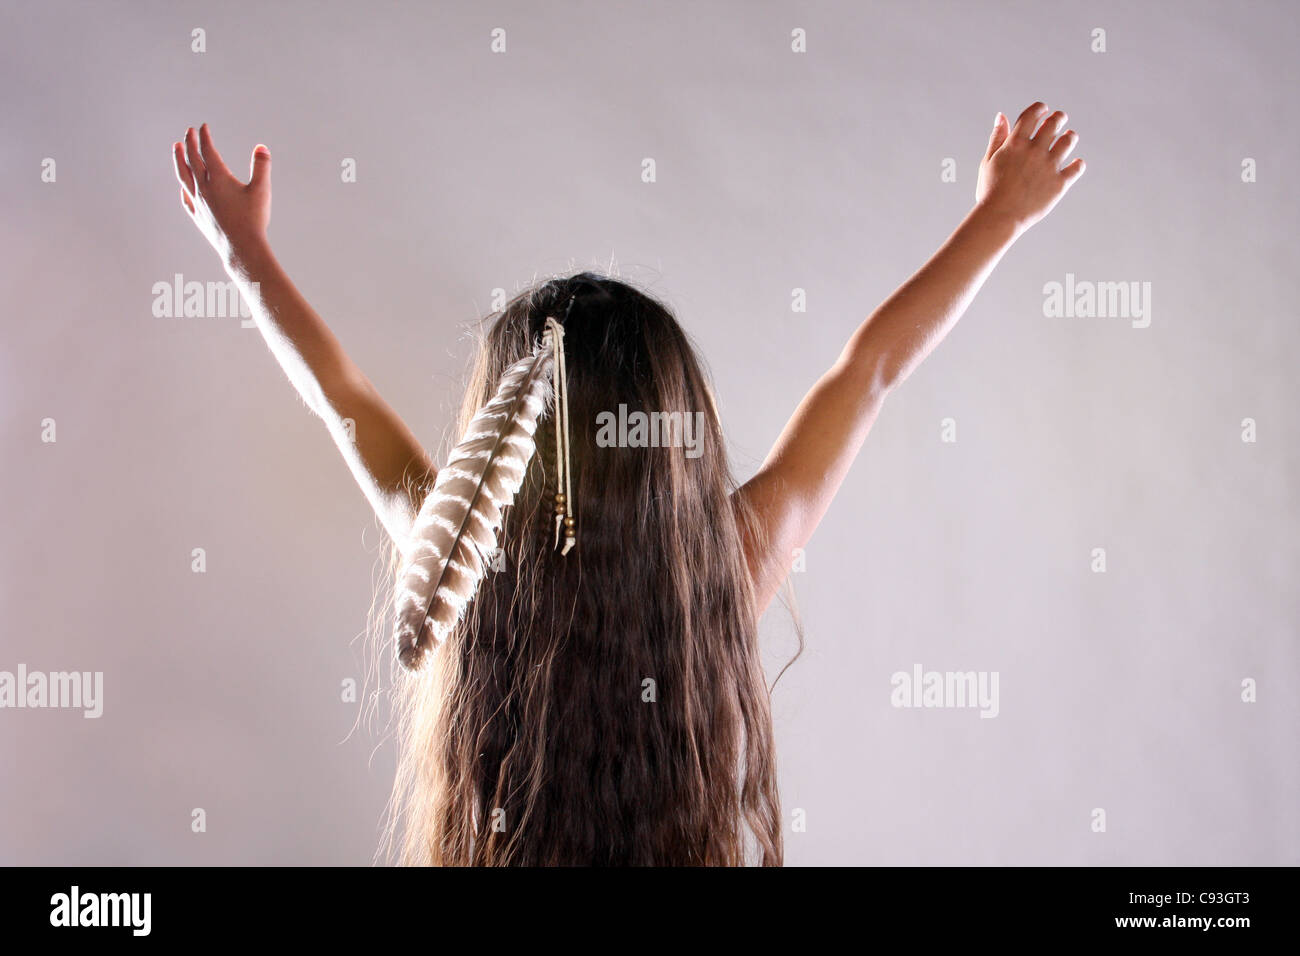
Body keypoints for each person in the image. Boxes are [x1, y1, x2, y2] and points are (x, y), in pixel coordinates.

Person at [171, 102, 1084, 865]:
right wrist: (998, 217)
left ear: (504, 430)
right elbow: (869, 374)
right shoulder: (719, 579)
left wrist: (241, 251)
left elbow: (343, 402)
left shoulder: (457, 569)